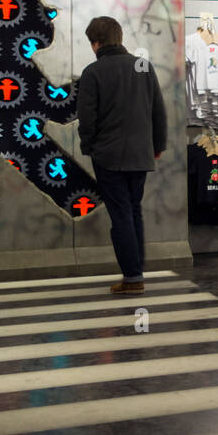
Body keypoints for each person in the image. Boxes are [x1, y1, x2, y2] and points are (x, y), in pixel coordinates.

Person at [77, 17, 167, 295]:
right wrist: (158, 146)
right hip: (141, 154)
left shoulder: (93, 72)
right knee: (134, 210)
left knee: (121, 215)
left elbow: (87, 118)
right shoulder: (143, 66)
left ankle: (132, 276)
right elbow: (158, 111)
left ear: (96, 42)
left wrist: (88, 146)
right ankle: (136, 270)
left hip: (108, 156)